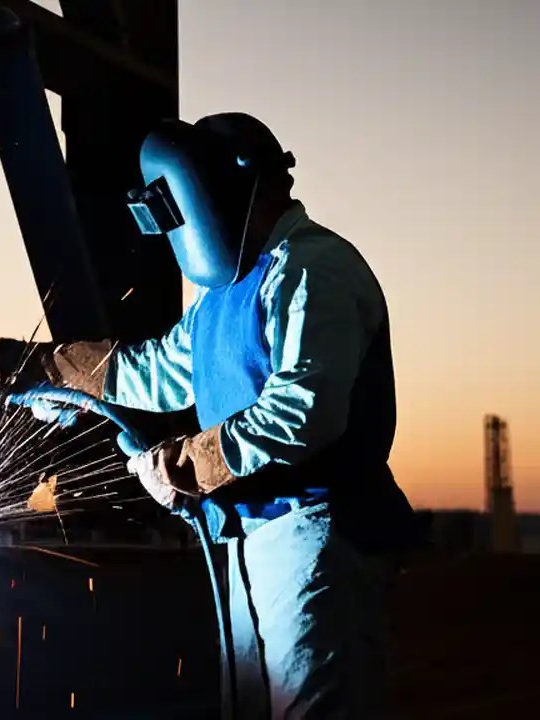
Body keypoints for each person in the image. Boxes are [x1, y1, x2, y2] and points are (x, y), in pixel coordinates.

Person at [22, 112, 421, 719]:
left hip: (315, 537)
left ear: (229, 189)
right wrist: (54, 369)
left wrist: (188, 464)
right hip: (246, 536)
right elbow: (157, 370)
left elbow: (303, 411)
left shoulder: (313, 267)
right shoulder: (223, 296)